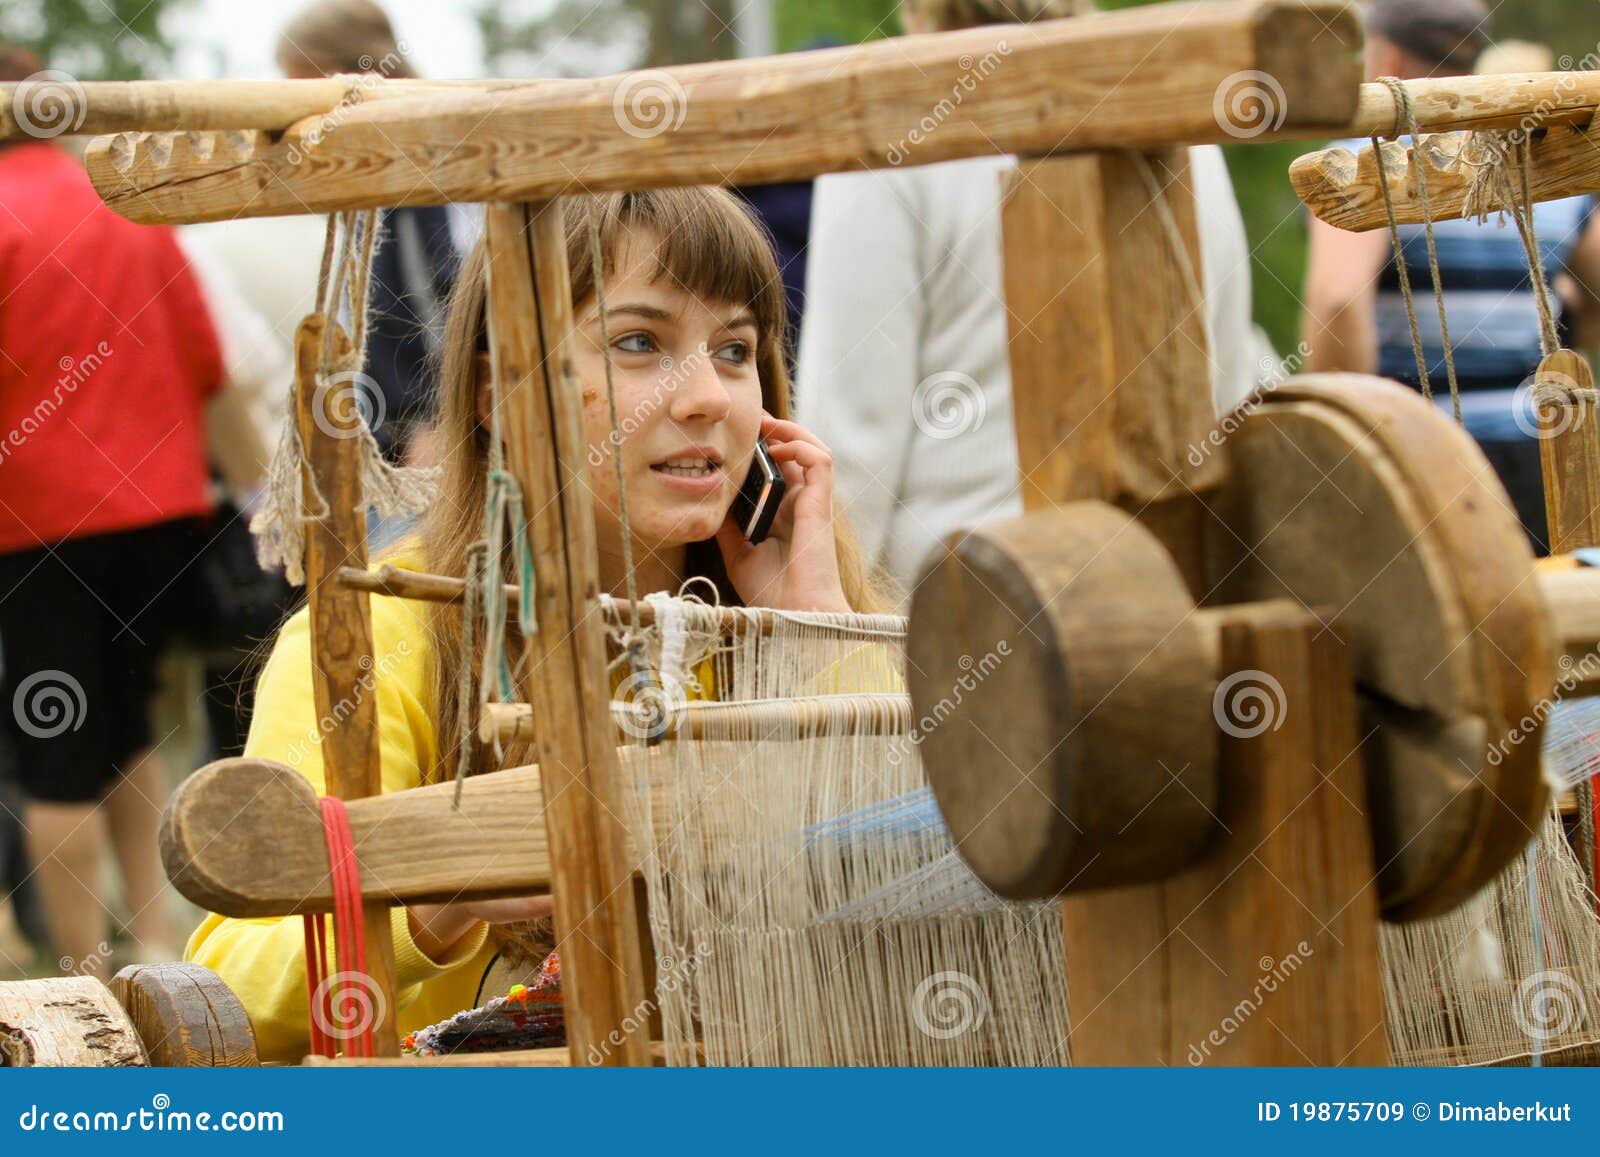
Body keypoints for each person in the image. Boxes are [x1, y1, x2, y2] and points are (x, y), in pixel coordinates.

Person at [184, 186, 890, 1062]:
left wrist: (817, 628)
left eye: (735, 350)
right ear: (499, 392)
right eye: (640, 342)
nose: (708, 394)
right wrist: (443, 897)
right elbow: (235, 987)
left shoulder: (797, 622)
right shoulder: (377, 640)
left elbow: (927, 881)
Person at [796, 0, 1261, 595]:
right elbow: (1225, 400)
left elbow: (851, 456)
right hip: (1165, 602)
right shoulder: (1182, 117)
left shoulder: (890, 115)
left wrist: (824, 646)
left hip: (951, 624)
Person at [0, 45, 225, 977]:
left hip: (37, 517)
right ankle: (157, 942)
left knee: (55, 748)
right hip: (158, 509)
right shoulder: (128, 206)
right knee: (131, 727)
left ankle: (84, 976)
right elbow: (208, 358)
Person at [1302, 0, 1600, 552]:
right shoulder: (1546, 159)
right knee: (1540, 629)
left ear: (1386, 53)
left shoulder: (1366, 159)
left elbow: (1340, 300)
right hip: (1543, 459)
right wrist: (1570, 337)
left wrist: (1345, 448)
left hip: (1422, 460)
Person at [276, 0, 461, 468]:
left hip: (421, 434)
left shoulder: (414, 161)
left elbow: (441, 291)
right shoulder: (367, 172)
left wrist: (433, 419)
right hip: (381, 428)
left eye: (298, 83)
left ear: (342, 76)